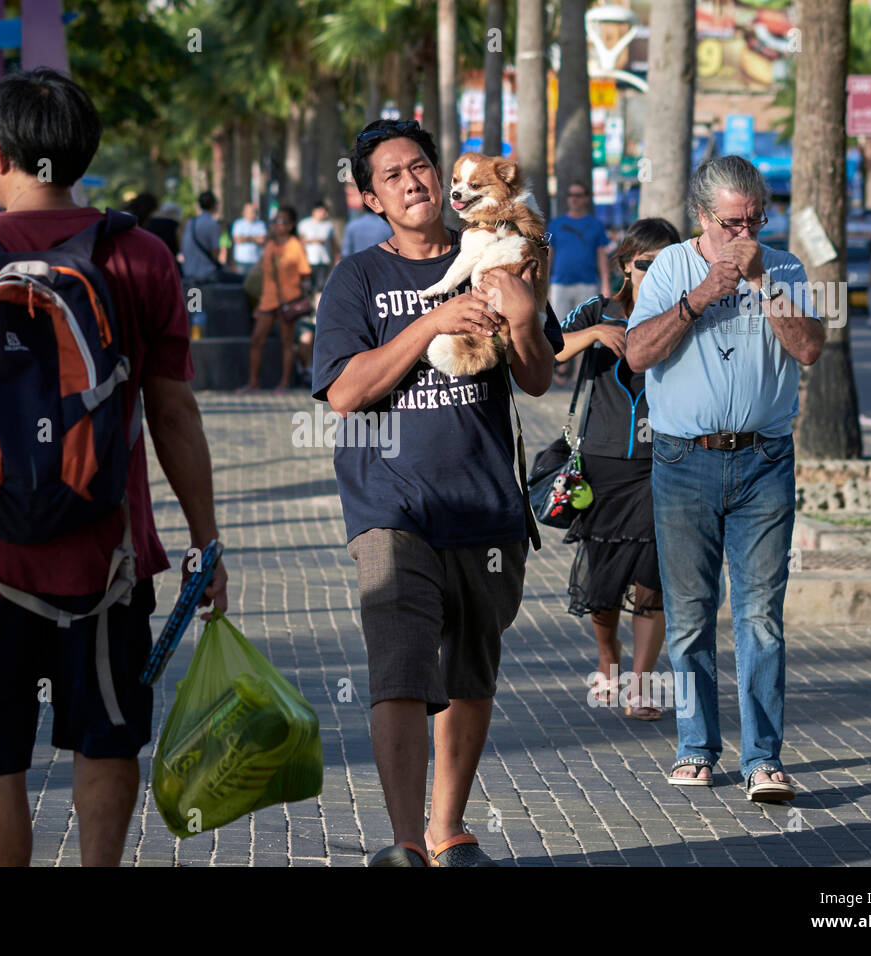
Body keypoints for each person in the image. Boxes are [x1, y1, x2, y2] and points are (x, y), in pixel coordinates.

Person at [0, 67, 229, 866]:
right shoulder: (141, 255)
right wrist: (207, 539)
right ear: (81, 153)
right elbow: (174, 413)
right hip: (110, 561)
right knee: (106, 744)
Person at [312, 119, 561, 867]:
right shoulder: (356, 280)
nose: (416, 183)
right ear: (369, 198)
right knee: (400, 663)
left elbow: (539, 376)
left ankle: (447, 830)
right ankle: (402, 845)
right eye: (393, 176)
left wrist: (522, 320)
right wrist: (432, 323)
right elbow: (346, 392)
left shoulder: (495, 256)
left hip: (485, 502)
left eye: (420, 167)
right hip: (390, 507)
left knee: (469, 673)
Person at [625, 155, 825, 802]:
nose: (745, 234)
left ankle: (764, 757)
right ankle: (696, 748)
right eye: (733, 223)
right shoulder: (669, 269)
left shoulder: (784, 266)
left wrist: (764, 283)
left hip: (764, 460)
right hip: (685, 462)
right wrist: (701, 297)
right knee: (688, 617)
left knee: (762, 617)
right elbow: (637, 352)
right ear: (703, 218)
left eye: (755, 220)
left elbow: (811, 348)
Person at [552, 218, 681, 721]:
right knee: (602, 582)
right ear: (626, 264)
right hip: (601, 461)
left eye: (667, 263)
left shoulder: (683, 312)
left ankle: (643, 684)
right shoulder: (596, 310)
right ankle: (609, 662)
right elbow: (549, 350)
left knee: (653, 575)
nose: (655, 272)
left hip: (662, 461)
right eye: (646, 263)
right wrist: (595, 335)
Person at [241, 207, 310, 393]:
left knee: (287, 342)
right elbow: (265, 275)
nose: (278, 226)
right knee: (256, 339)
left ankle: (285, 382)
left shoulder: (296, 245)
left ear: (291, 225)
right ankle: (253, 382)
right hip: (267, 301)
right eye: (275, 222)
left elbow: (305, 273)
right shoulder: (270, 246)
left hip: (288, 300)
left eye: (282, 222)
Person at [547, 180, 611, 380]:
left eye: (578, 195)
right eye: (571, 195)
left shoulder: (596, 225)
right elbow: (549, 255)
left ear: (585, 198)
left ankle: (578, 373)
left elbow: (602, 256)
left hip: (587, 284)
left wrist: (606, 284)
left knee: (585, 329)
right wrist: (544, 285)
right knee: (558, 329)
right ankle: (559, 368)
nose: (574, 199)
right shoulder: (556, 224)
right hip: (559, 284)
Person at [180, 190, 222, 282]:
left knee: (194, 296)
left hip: (189, 272)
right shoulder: (212, 224)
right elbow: (215, 252)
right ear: (214, 205)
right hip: (206, 275)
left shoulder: (190, 223)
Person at [297, 200, 337, 295]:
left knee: (321, 287)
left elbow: (333, 243)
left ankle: (317, 308)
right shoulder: (304, 224)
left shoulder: (328, 225)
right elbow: (300, 241)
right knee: (308, 287)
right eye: (321, 211)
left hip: (323, 260)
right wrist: (314, 240)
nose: (323, 213)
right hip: (308, 260)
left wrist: (335, 257)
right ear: (314, 211)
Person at [230, 202, 266, 276]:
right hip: (241, 260)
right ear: (244, 212)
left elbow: (262, 240)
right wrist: (255, 238)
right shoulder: (238, 224)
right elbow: (237, 239)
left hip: (255, 261)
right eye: (250, 211)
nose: (252, 213)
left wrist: (245, 238)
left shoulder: (260, 224)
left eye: (253, 211)